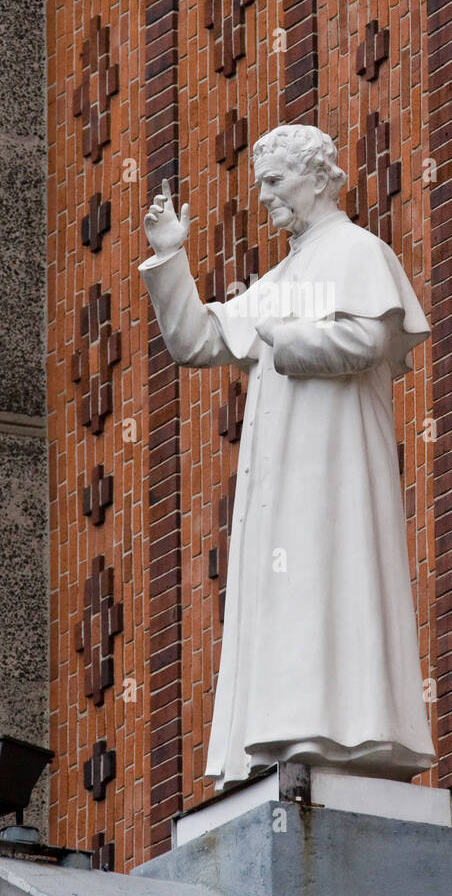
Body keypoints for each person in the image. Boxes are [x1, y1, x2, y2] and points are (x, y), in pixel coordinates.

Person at [140, 125, 435, 788]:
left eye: (275, 182)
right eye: (260, 185)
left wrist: (281, 336)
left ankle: (345, 730)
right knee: (289, 592)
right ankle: (289, 731)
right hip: (282, 479)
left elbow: (367, 340)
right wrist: (169, 259)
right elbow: (198, 339)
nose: (264, 198)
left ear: (319, 178)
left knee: (335, 582)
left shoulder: (361, 252)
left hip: (335, 470)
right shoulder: (281, 274)